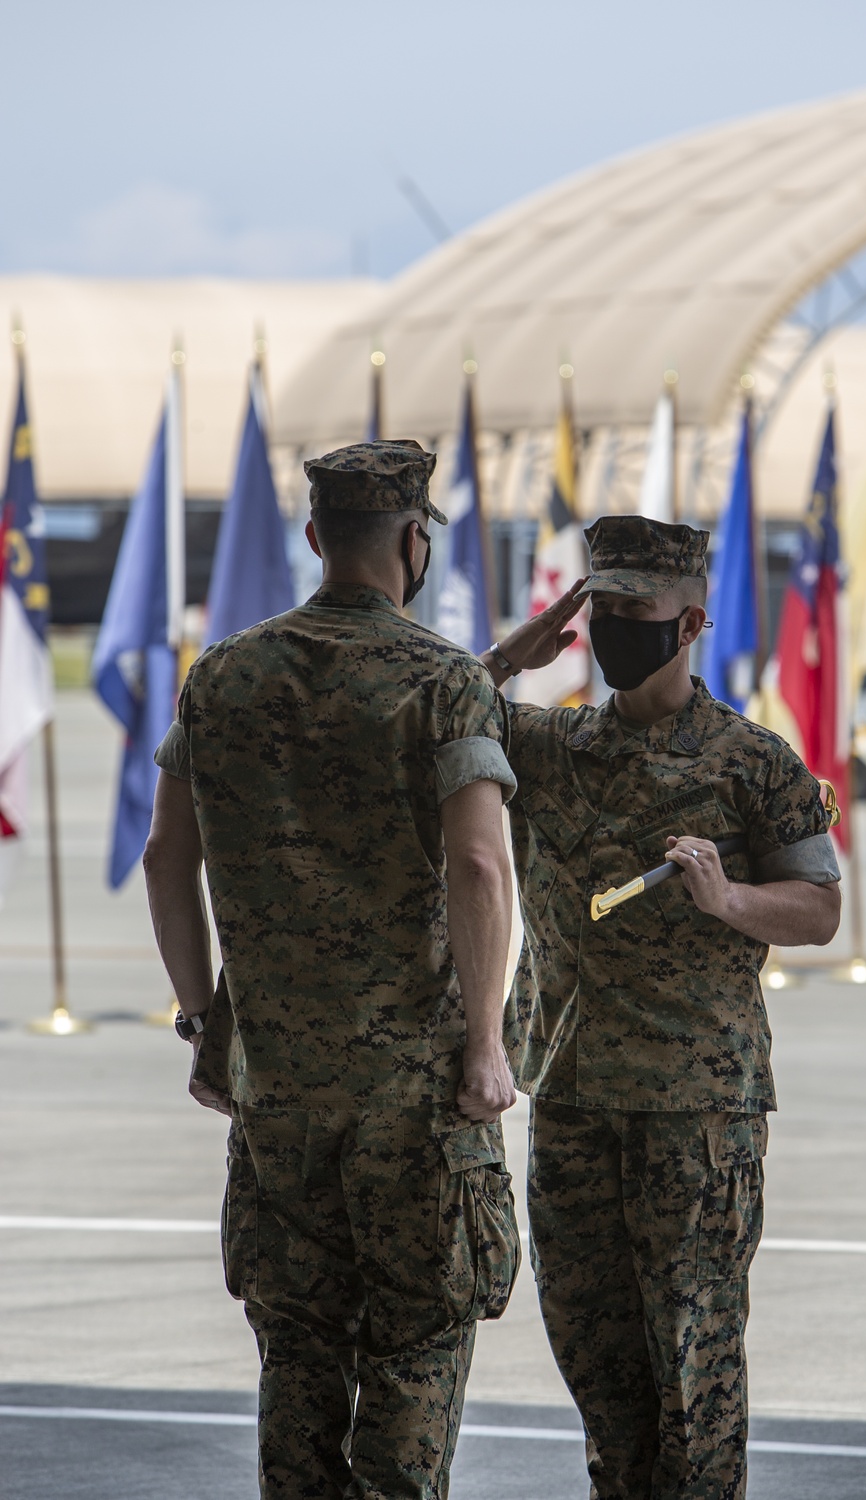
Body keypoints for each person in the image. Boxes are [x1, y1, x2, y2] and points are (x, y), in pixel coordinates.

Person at [143, 439, 521, 1500]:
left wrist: (204, 1018)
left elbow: (166, 858)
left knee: (299, 1351)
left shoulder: (222, 674)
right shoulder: (443, 682)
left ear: (316, 539)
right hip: (415, 1097)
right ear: (414, 542)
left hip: (281, 1097)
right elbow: (481, 863)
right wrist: (486, 1045)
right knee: (416, 1343)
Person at [480, 516, 842, 1500]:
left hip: (696, 1108)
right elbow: (431, 715)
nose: (608, 632)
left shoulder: (751, 761)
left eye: (632, 614)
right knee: (596, 1362)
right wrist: (513, 653)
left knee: (696, 1364)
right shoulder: (545, 746)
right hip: (571, 1099)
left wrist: (729, 901)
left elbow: (818, 906)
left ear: (688, 626)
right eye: (598, 611)